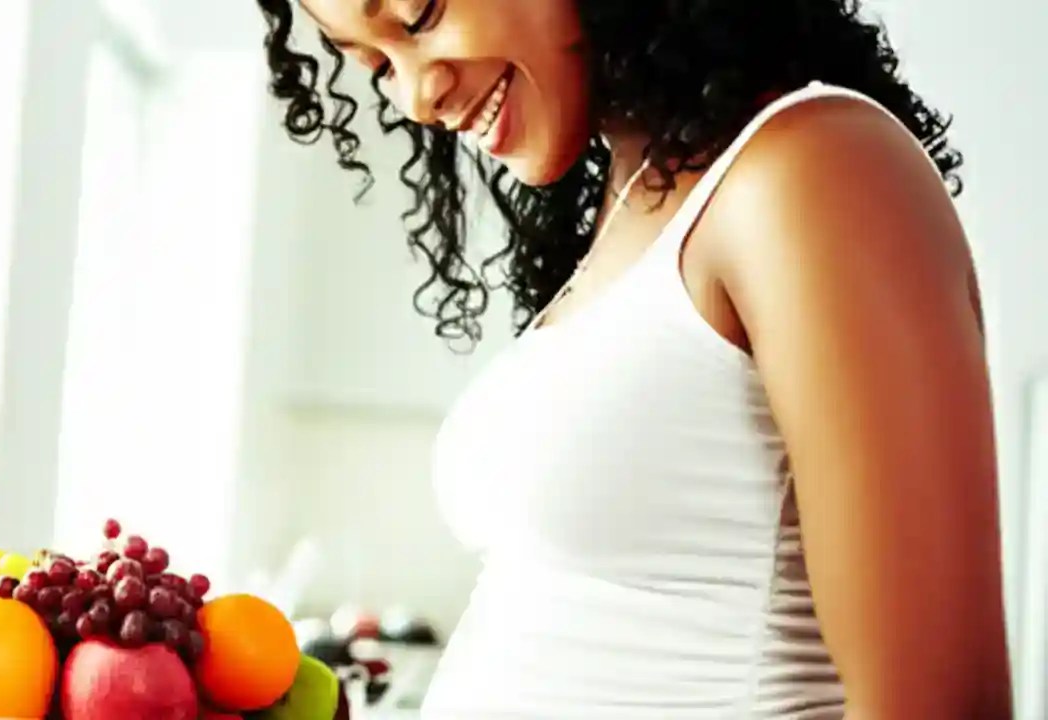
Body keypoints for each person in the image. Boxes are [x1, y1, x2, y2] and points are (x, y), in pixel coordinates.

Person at [253, 1, 1013, 717]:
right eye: (377, 66)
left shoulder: (814, 166)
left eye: (421, 15)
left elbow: (941, 707)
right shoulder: (635, 208)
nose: (417, 97)